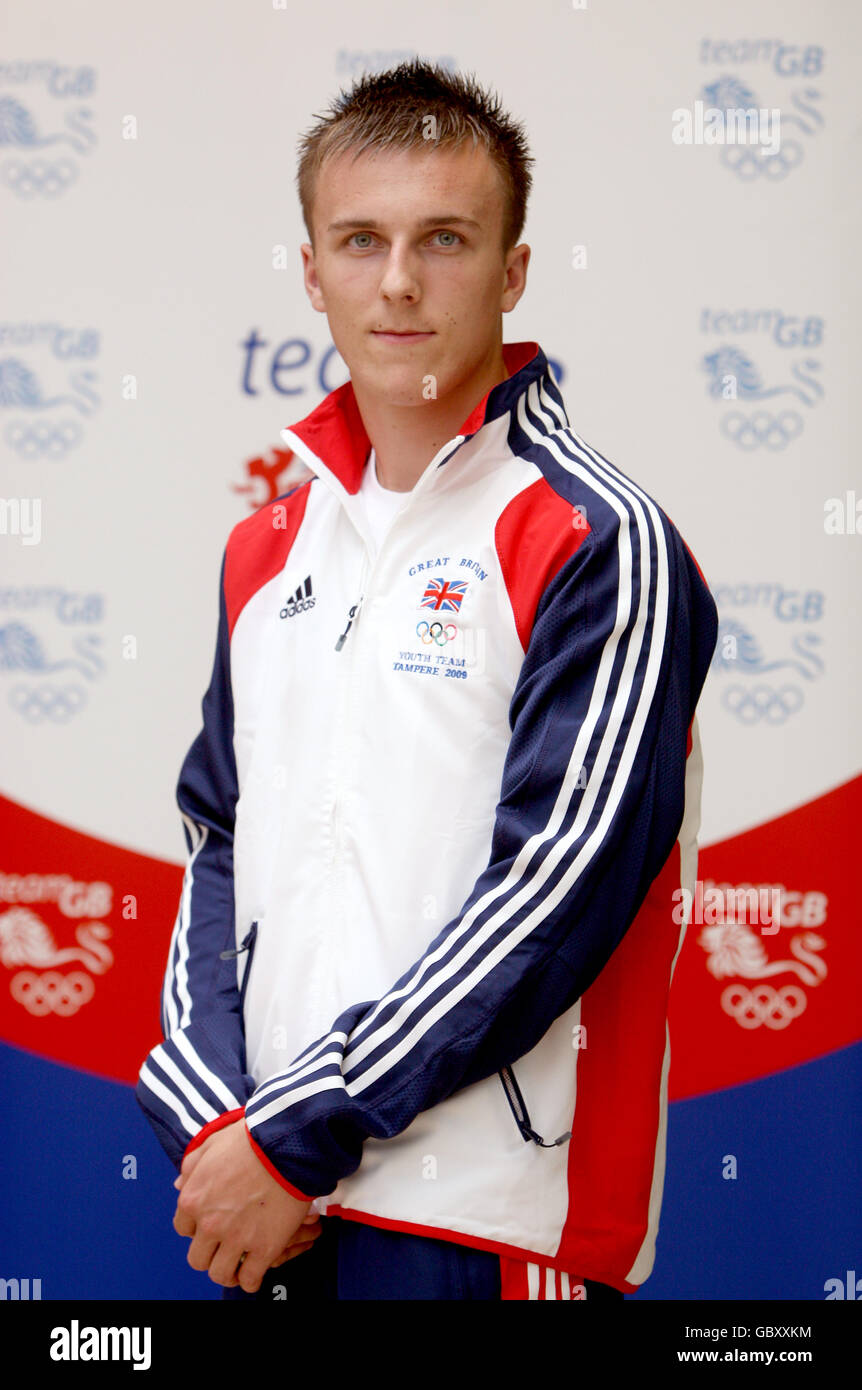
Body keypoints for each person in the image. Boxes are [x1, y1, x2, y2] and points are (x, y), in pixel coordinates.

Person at [136, 58, 719, 1302]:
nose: (397, 280)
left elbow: (556, 894)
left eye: (443, 239)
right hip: (275, 1213)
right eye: (360, 240)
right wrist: (216, 1120)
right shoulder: (266, 546)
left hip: (493, 1225)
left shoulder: (600, 539)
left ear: (510, 272)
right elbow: (216, 841)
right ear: (310, 271)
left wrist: (293, 1137)